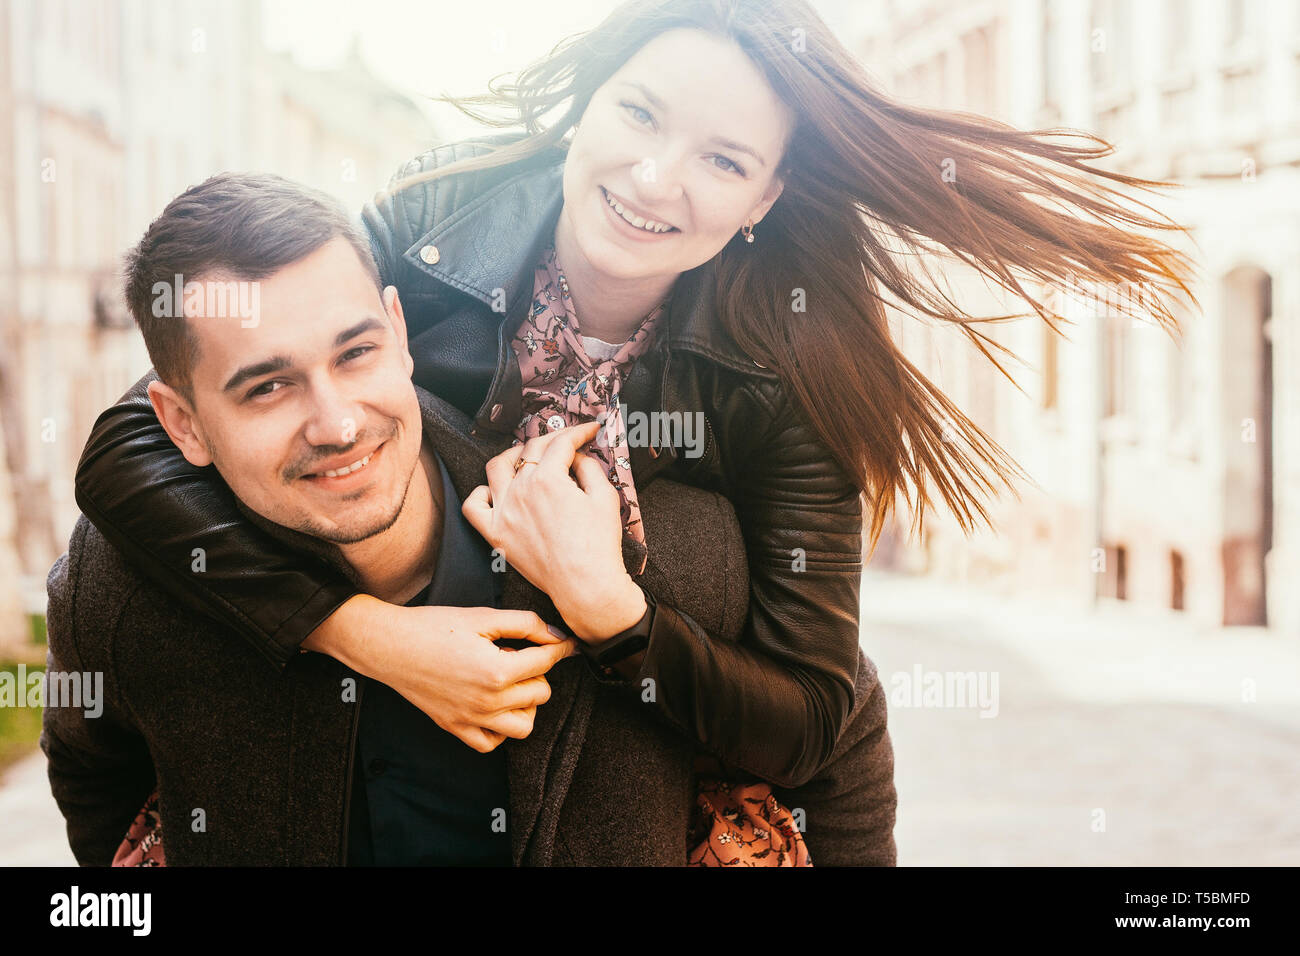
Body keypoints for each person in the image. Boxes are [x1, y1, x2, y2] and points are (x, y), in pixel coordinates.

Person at [70, 0, 1196, 860]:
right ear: (590, 102)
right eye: (640, 114)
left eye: (723, 161)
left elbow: (817, 713)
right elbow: (137, 447)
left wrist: (615, 610)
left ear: (762, 198)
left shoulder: (783, 378)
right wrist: (362, 634)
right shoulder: (429, 228)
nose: (654, 178)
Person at [44, 172, 896, 866]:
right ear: (182, 421)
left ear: (401, 333)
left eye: (356, 353)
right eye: (268, 386)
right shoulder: (121, 590)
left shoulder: (643, 549)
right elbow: (94, 771)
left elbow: (837, 732)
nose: (337, 422)